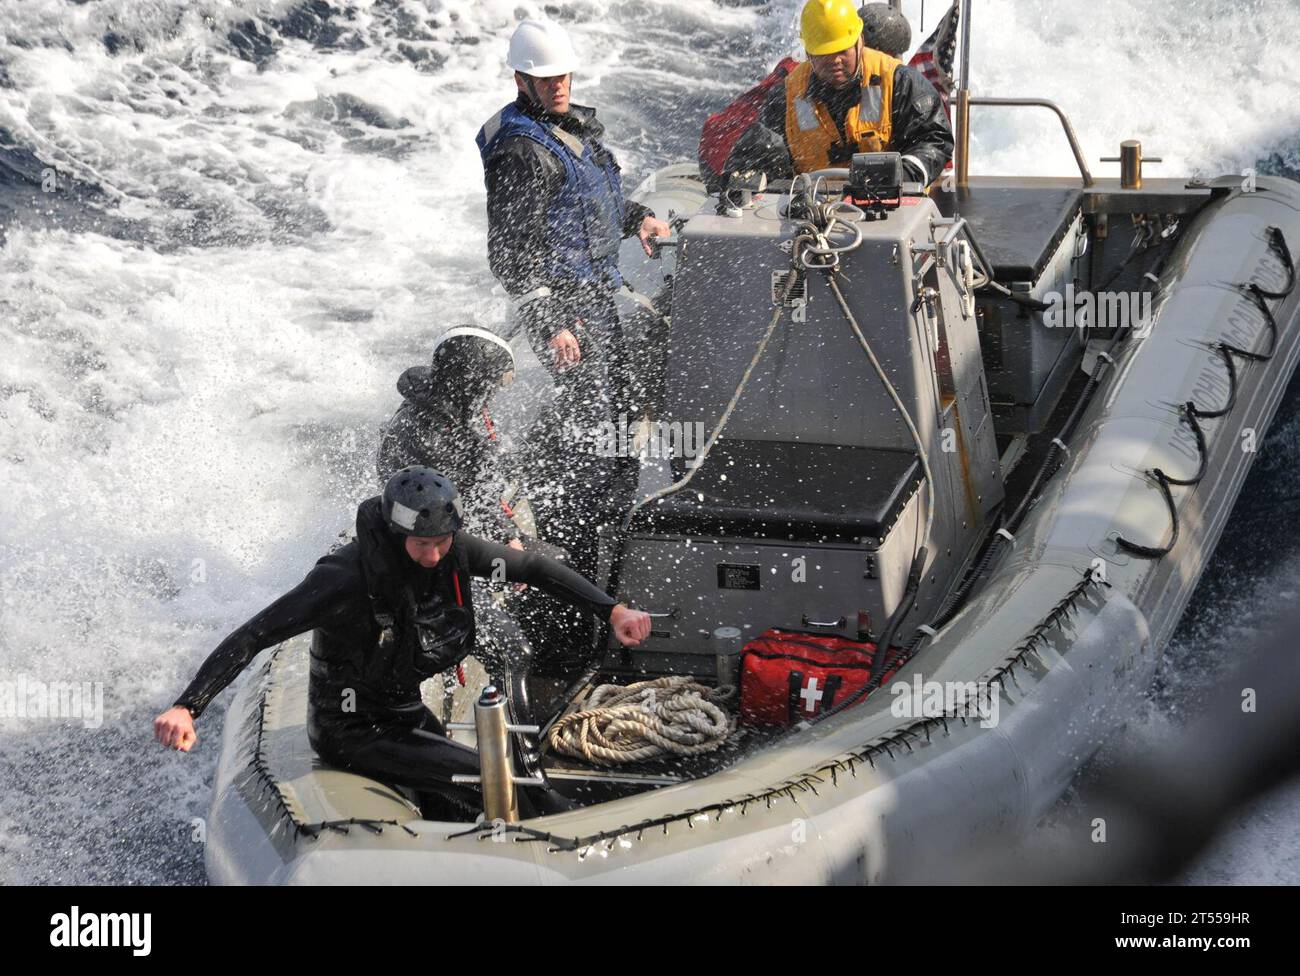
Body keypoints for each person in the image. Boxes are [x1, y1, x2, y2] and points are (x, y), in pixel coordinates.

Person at [153, 467, 652, 816]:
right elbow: (256, 633)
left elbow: (534, 568)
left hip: (403, 709)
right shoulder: (343, 578)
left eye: (442, 543)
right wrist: (188, 706)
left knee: (491, 776)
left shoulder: (455, 550)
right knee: (492, 781)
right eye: (421, 546)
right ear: (396, 535)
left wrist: (613, 609)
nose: (434, 557)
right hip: (351, 728)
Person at [475, 19, 670, 577]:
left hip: (594, 294)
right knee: (591, 423)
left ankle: (611, 515)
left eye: (563, 76)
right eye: (546, 79)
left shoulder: (567, 127)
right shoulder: (520, 151)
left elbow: (587, 201)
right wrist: (550, 322)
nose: (559, 86)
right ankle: (577, 550)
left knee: (620, 408)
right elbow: (511, 252)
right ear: (521, 80)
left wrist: (636, 219)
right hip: (563, 307)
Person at [715, 0, 952, 187]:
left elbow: (934, 139)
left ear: (860, 42)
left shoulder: (900, 82)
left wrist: (903, 175)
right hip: (809, 215)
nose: (835, 60)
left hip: (889, 211)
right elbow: (760, 152)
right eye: (824, 53)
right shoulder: (785, 97)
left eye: (842, 50)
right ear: (808, 53)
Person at [376, 326, 520, 544]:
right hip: (429, 538)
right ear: (472, 381)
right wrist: (509, 537)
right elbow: (471, 500)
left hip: (432, 522)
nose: (496, 391)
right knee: (554, 560)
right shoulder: (429, 438)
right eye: (496, 382)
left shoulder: (438, 398)